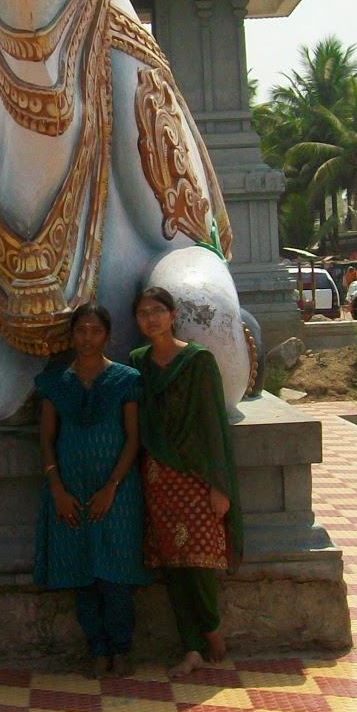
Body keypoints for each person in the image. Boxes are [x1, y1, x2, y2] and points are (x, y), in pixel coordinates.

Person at [130, 286, 243, 678]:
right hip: (158, 478)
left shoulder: (198, 361)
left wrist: (219, 484)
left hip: (195, 477)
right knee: (172, 565)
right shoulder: (138, 363)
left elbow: (213, 424)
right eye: (143, 313)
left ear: (173, 314)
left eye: (157, 311)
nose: (151, 319)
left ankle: (209, 627)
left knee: (199, 561)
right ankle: (191, 646)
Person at [34, 303, 152, 676]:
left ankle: (122, 647)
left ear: (108, 336)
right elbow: (46, 439)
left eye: (95, 331)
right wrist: (56, 487)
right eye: (81, 331)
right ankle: (97, 649)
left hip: (117, 493)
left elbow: (133, 439)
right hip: (70, 491)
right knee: (82, 574)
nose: (87, 338)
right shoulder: (56, 383)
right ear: (72, 335)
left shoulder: (124, 380)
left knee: (116, 576)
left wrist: (112, 487)